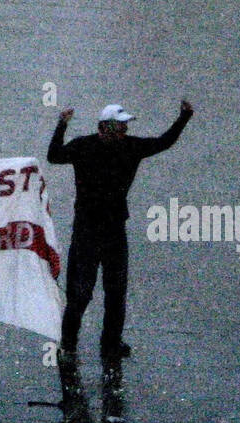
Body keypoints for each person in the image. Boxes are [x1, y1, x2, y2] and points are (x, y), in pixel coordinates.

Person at [47, 99, 193, 365]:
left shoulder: (122, 146)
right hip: (88, 231)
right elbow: (54, 156)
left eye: (125, 127)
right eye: (121, 126)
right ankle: (70, 342)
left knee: (114, 291)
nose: (124, 132)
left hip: (112, 230)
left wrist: (184, 117)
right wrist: (61, 125)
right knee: (82, 292)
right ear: (105, 127)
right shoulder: (89, 147)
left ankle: (109, 342)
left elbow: (164, 142)